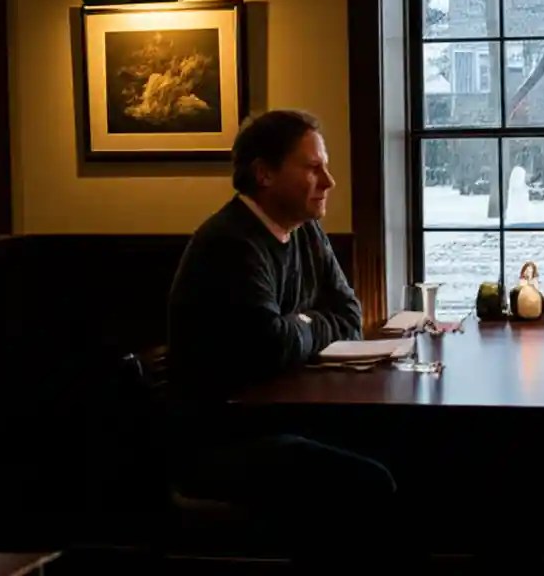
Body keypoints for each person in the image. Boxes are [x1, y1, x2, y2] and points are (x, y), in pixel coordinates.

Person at [166, 109, 396, 559]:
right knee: (372, 481)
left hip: (277, 420)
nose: (328, 181)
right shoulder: (230, 243)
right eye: (313, 168)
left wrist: (302, 324)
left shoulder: (305, 229)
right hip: (222, 442)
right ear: (264, 173)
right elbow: (271, 344)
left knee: (403, 448)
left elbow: (349, 313)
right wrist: (309, 321)